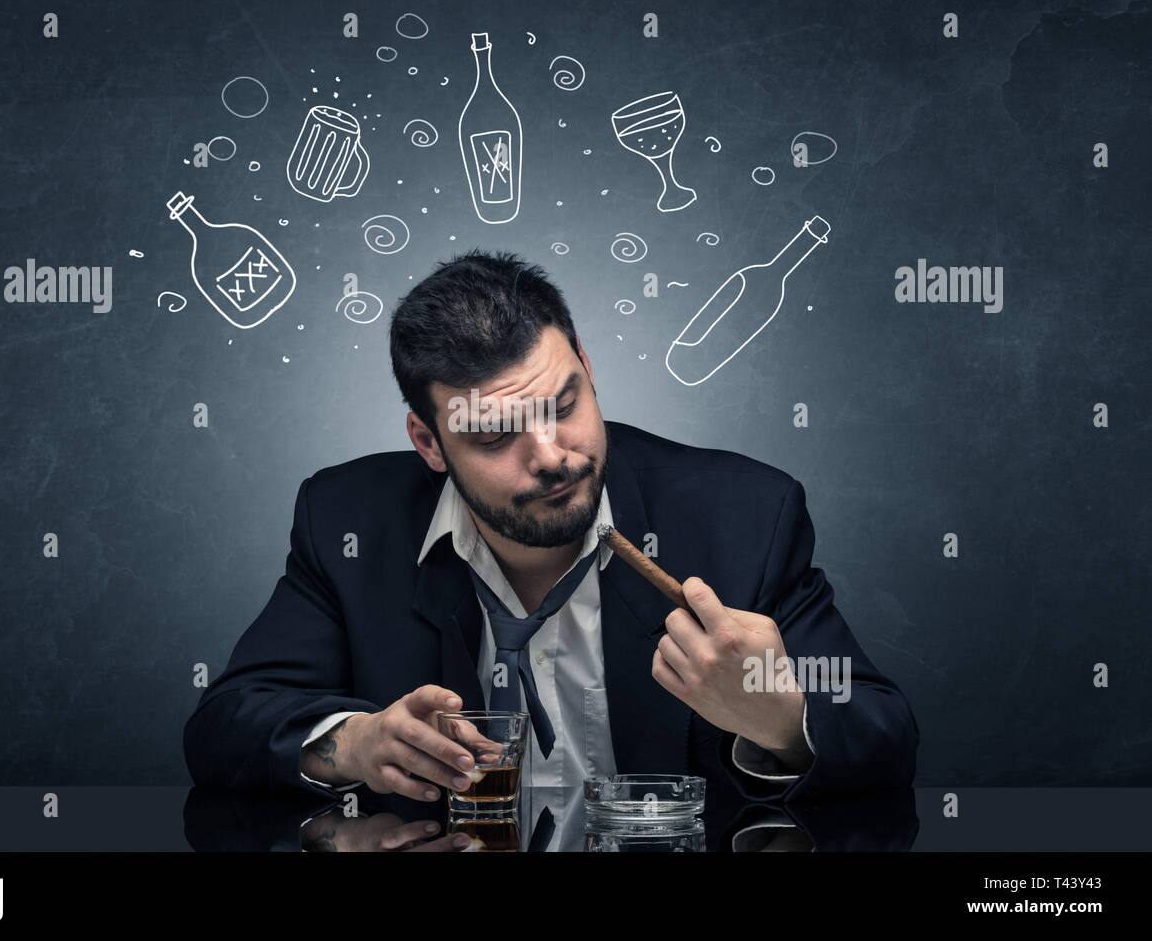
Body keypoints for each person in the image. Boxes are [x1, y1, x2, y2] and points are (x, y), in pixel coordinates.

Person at [183, 250, 919, 804]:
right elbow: (226, 727)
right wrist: (352, 745)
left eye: (563, 404)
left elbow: (884, 737)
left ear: (588, 370)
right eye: (497, 435)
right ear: (429, 442)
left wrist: (777, 715)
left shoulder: (746, 515)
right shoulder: (345, 520)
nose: (552, 457)